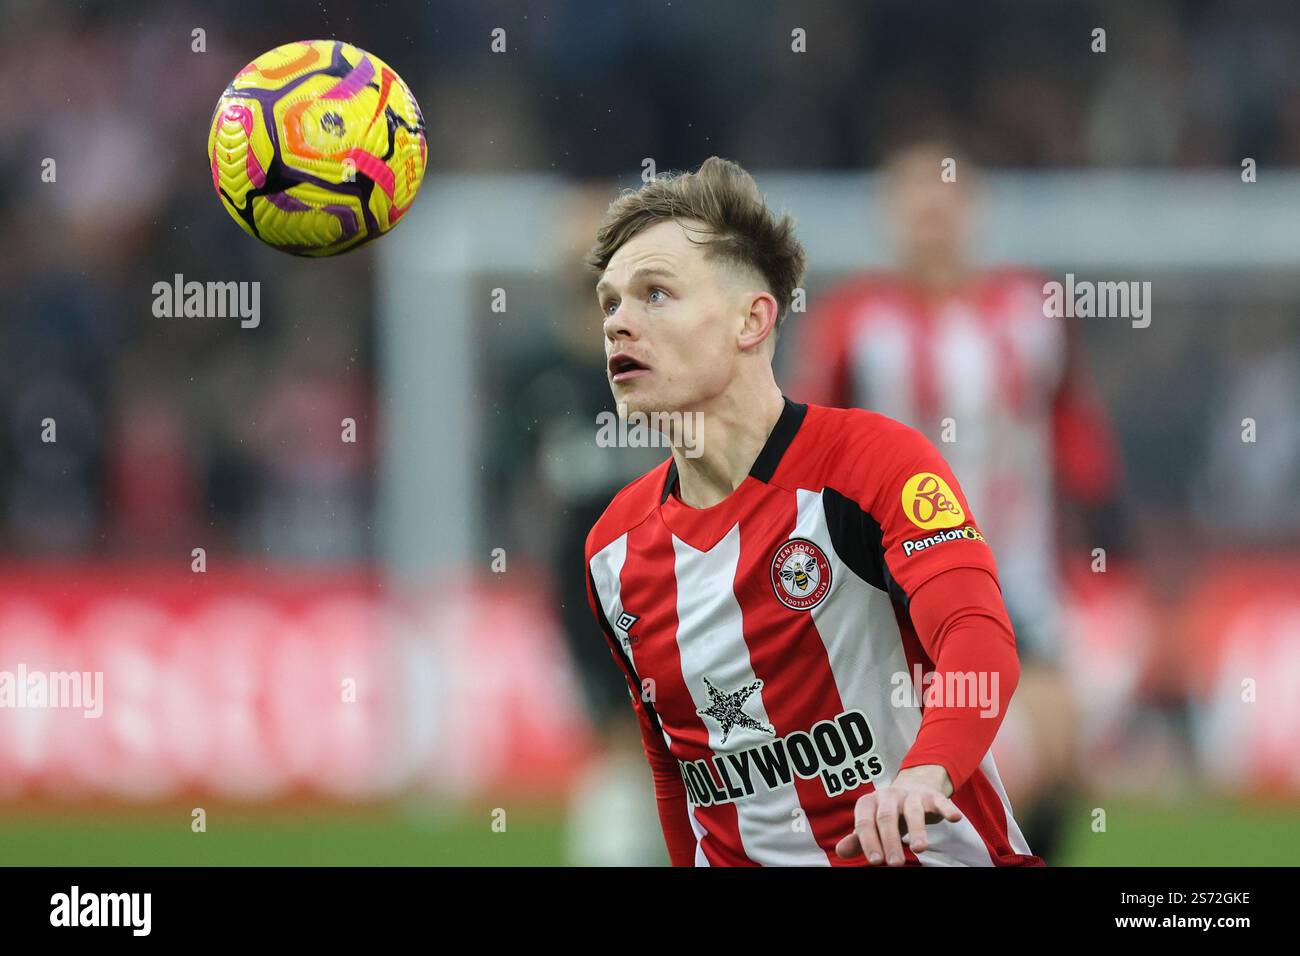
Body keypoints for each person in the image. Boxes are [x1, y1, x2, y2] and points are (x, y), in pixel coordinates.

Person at [581, 156, 1042, 866]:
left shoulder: (872, 462)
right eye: (610, 302)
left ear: (752, 319)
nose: (619, 324)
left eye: (655, 294)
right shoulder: (612, 550)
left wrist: (926, 772)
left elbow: (976, 637)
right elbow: (678, 775)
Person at [789, 137, 1127, 862]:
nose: (930, 225)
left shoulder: (1032, 308)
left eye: (943, 208)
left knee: (1063, 753)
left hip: (1021, 573)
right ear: (892, 220)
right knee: (926, 762)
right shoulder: (856, 323)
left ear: (973, 213)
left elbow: (1072, 428)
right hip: (905, 576)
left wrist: (1105, 529)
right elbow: (812, 444)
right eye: (915, 210)